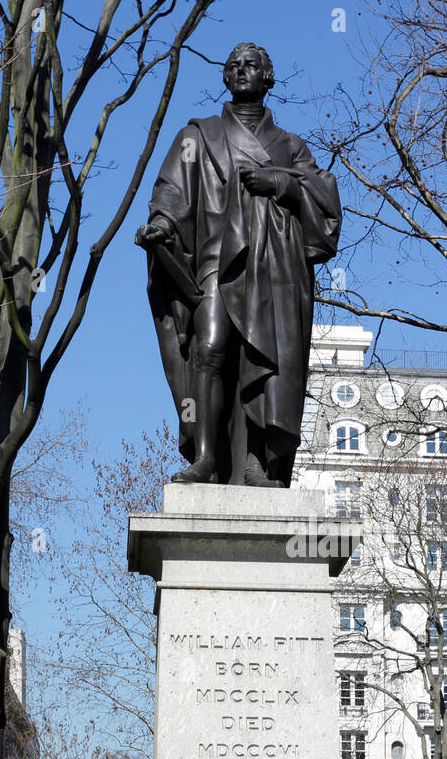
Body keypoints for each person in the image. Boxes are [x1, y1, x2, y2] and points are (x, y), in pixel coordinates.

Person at [136, 42, 342, 488]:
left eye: (252, 65)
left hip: (273, 271)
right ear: (225, 78)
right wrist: (159, 222)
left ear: (268, 77)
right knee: (208, 349)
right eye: (233, 65)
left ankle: (257, 459)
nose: (242, 70)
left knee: (261, 359)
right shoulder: (198, 135)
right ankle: (207, 457)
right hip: (216, 261)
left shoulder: (290, 146)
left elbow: (324, 205)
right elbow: (172, 190)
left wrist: (281, 184)